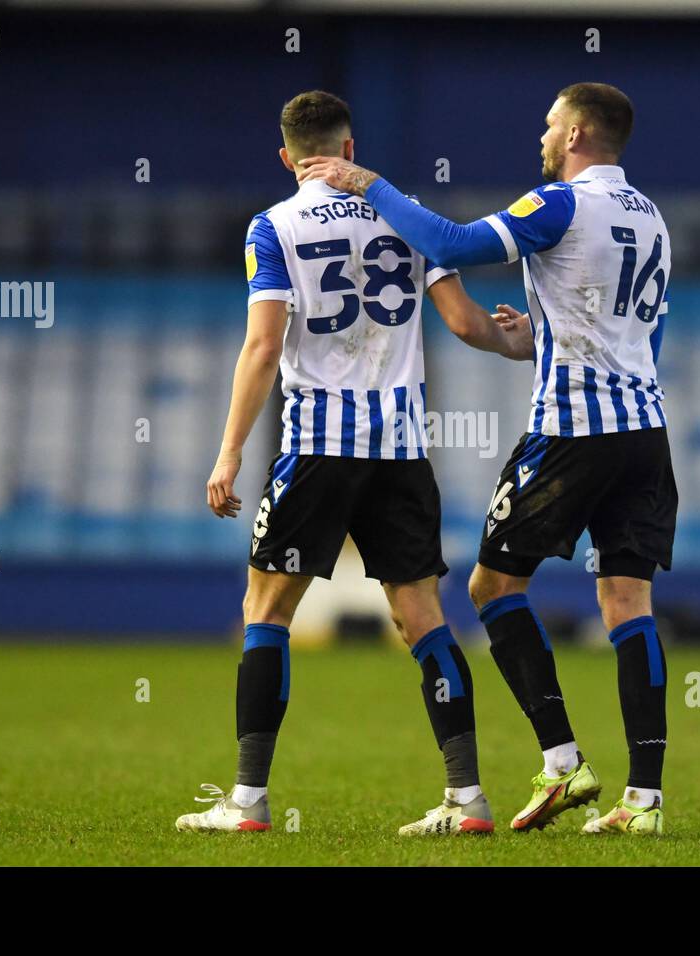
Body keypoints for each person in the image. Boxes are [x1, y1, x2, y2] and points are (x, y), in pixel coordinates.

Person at [299, 82, 675, 835]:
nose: (541, 134)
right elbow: (636, 338)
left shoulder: (561, 203)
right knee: (629, 605)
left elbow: (460, 243)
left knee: (492, 586)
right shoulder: (652, 217)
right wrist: (541, 340)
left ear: (573, 133)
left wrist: (368, 184)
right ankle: (644, 802)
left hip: (573, 433)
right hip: (646, 434)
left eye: (548, 122)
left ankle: (564, 764)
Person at [175, 90, 532, 837]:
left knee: (265, 611)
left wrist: (231, 451)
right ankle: (467, 799)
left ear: (287, 154)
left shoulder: (273, 225)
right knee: (425, 619)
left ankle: (247, 801)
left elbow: (264, 347)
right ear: (349, 144)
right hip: (400, 450)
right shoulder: (405, 216)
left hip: (317, 447)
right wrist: (521, 344)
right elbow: (467, 324)